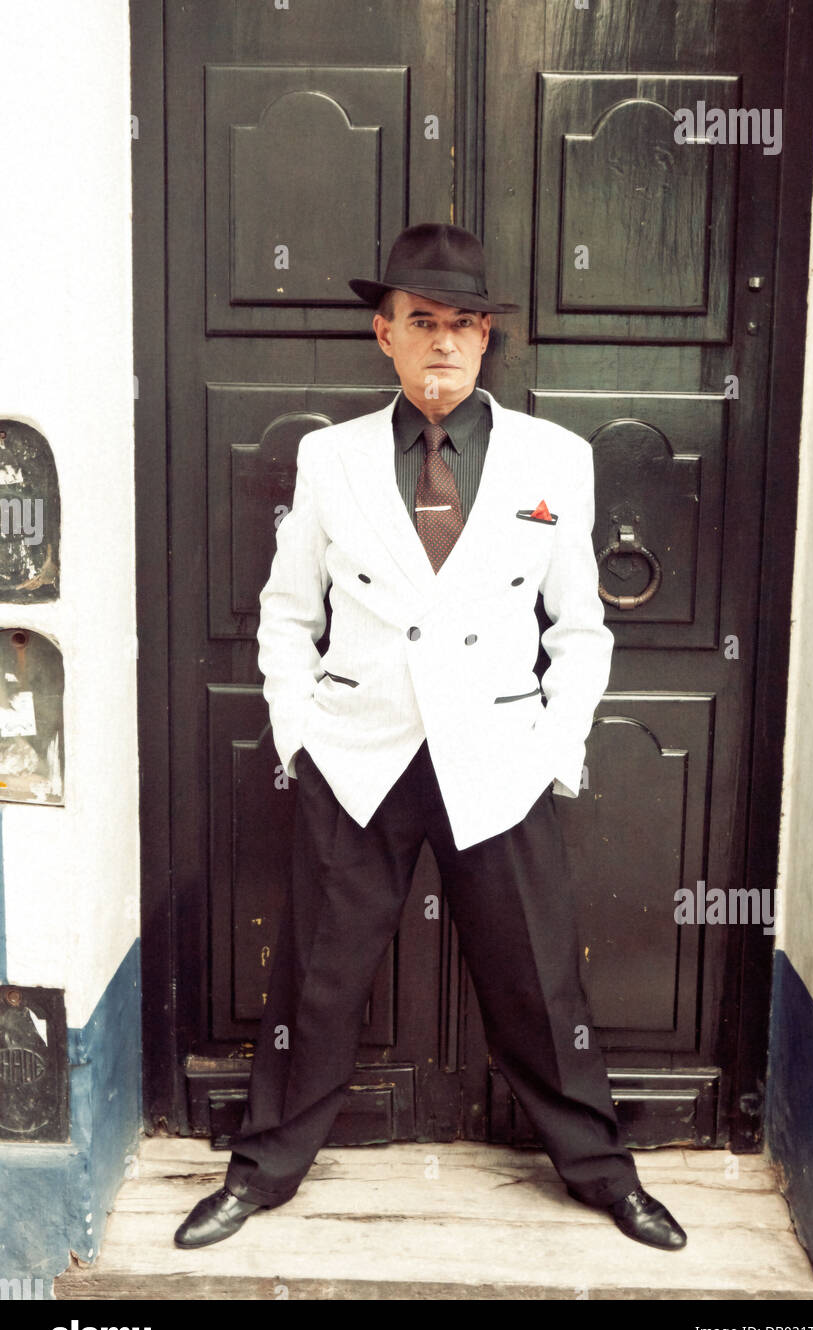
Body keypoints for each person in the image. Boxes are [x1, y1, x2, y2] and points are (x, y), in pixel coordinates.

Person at [174, 223, 686, 1253]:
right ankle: (262, 1170)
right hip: (360, 756)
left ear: (486, 336)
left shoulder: (554, 459)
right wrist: (300, 733)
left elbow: (578, 629)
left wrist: (553, 748)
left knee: (539, 981)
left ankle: (597, 1168)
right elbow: (285, 612)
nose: (443, 343)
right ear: (385, 335)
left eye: (461, 324)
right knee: (316, 979)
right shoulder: (330, 457)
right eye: (421, 323)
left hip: (495, 761)